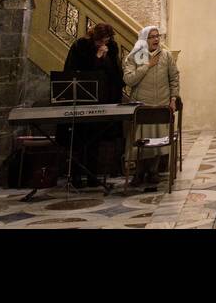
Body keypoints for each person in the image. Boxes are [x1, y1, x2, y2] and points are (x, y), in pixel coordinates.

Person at [62, 22, 124, 187]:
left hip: (102, 97)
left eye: (106, 40)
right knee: (79, 139)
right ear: (94, 37)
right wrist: (96, 57)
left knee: (95, 139)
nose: (103, 44)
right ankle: (76, 176)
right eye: (100, 41)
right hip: (83, 99)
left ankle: (92, 175)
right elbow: (74, 70)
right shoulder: (81, 46)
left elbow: (115, 73)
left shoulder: (112, 46)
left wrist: (105, 58)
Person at [123, 26, 179, 190]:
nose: (156, 40)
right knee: (140, 141)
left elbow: (174, 78)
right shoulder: (135, 56)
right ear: (144, 39)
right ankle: (139, 172)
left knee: (158, 140)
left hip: (161, 105)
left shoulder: (166, 56)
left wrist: (173, 98)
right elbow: (129, 79)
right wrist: (147, 65)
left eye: (157, 36)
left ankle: (153, 171)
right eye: (152, 37)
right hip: (142, 106)